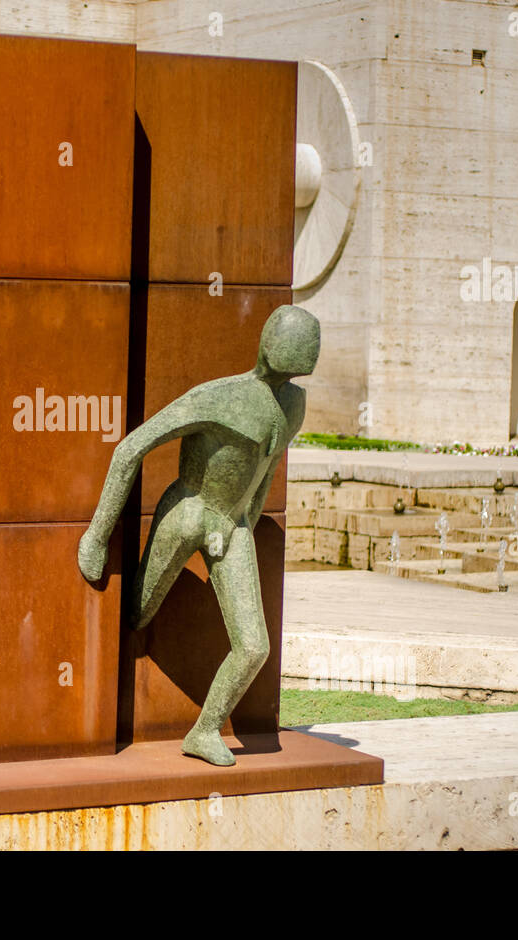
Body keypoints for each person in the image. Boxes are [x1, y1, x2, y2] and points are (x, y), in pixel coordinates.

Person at [77, 305, 320, 766]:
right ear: (271, 350)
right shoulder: (216, 397)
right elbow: (132, 448)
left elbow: (266, 466)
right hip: (189, 512)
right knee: (136, 613)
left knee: (254, 647)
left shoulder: (293, 405)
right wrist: (97, 535)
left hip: (231, 527)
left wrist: (242, 519)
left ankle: (204, 730)